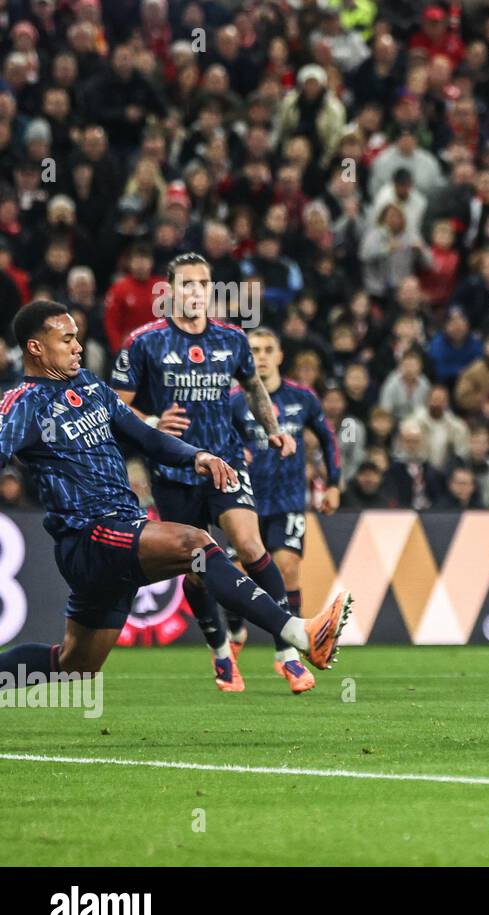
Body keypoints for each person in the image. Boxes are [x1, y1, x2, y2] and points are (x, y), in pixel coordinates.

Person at [0, 300, 350, 687]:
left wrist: (196, 455)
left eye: (77, 338)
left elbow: (146, 436)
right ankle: (300, 634)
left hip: (118, 531)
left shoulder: (88, 385)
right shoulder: (22, 405)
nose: (78, 347)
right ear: (36, 348)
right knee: (195, 544)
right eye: (66, 340)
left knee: (75, 665)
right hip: (89, 534)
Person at [111, 253, 298, 693]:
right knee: (196, 569)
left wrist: (272, 431)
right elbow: (116, 406)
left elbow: (252, 387)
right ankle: (220, 653)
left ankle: (287, 651)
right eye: (187, 284)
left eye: (203, 284)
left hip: (227, 461)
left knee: (251, 545)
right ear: (170, 291)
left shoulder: (231, 338)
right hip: (174, 469)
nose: (196, 292)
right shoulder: (144, 342)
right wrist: (154, 422)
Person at [225, 328, 342, 693]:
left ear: (279, 356)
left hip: (288, 499)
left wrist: (334, 484)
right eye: (254, 350)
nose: (260, 356)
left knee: (286, 566)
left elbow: (327, 438)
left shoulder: (303, 398)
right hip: (243, 499)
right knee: (236, 571)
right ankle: (235, 629)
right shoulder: (234, 400)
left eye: (267, 349)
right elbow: (221, 438)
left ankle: (285, 650)